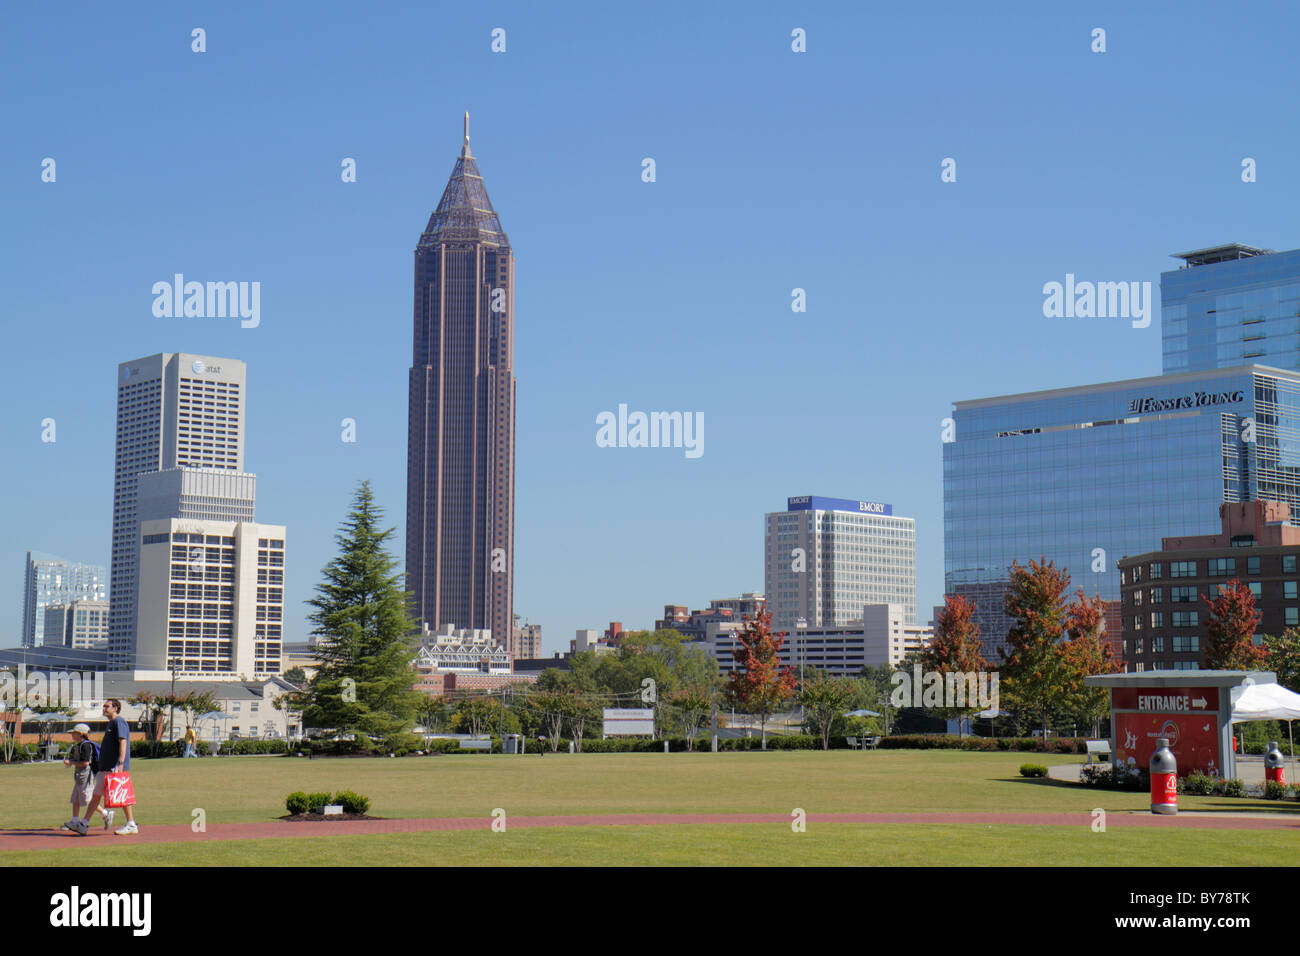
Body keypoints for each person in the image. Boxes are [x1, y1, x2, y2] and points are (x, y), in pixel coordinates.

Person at [74, 699, 139, 836]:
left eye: (106, 706)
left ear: (115, 708)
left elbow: (123, 742)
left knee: (120, 794)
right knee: (96, 796)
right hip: (106, 768)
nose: (104, 708)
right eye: (103, 706)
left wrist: (120, 763)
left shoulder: (118, 722)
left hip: (113, 767)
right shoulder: (111, 723)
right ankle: (84, 824)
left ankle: (131, 823)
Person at [60, 724, 100, 831]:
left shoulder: (86, 745)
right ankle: (74, 821)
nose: (72, 735)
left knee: (88, 799)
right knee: (75, 799)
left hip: (86, 775)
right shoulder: (79, 745)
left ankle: (106, 813)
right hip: (79, 775)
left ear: (81, 734)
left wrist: (71, 762)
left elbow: (86, 763)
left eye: (74, 733)